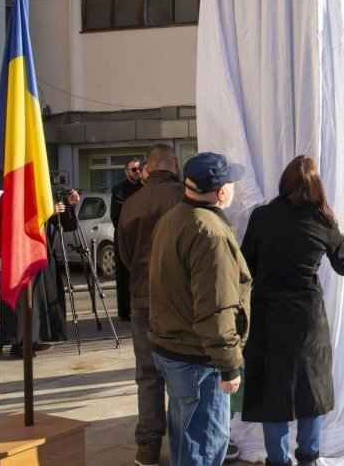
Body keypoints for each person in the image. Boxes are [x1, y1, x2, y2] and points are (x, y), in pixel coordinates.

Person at [241, 156, 344, 466]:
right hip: (308, 318)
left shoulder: (262, 216)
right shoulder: (323, 220)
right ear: (316, 187)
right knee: (310, 390)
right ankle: (308, 458)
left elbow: (245, 265)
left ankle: (278, 460)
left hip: (267, 315)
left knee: (272, 394)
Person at [149, 152, 251, 465]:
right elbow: (216, 307)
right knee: (202, 449)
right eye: (230, 182)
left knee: (186, 444)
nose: (233, 187)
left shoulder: (173, 219)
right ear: (220, 192)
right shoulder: (210, 233)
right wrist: (229, 365)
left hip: (174, 349)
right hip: (198, 358)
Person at [117, 144, 186, 466]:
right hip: (179, 300)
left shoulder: (132, 203)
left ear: (147, 167)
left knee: (147, 375)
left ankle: (147, 447)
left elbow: (125, 256)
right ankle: (184, 444)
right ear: (175, 164)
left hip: (143, 296)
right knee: (183, 373)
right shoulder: (184, 197)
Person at [0, 189, 72, 357]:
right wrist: (48, 211)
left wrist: (69, 206)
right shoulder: (10, 194)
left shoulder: (38, 192)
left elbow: (63, 224)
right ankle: (20, 344)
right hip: (19, 253)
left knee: (38, 297)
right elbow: (19, 221)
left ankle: (35, 338)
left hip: (38, 251)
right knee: (22, 299)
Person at [110, 158, 144, 322]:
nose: (137, 173)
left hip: (142, 237)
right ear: (126, 172)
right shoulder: (118, 190)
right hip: (125, 236)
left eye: (139, 169)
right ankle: (125, 310)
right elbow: (116, 216)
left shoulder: (145, 188)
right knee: (124, 274)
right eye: (134, 170)